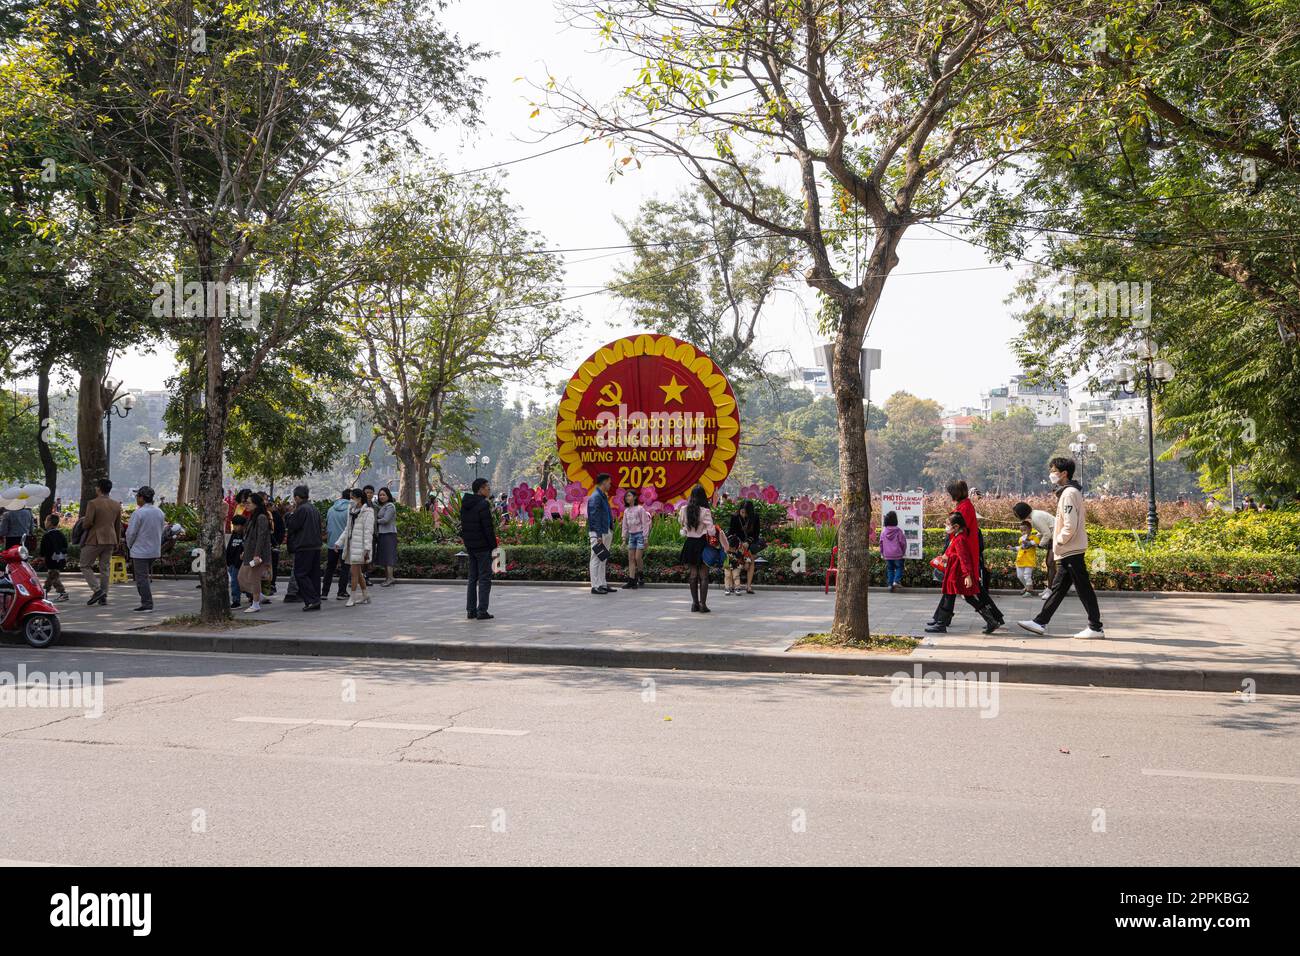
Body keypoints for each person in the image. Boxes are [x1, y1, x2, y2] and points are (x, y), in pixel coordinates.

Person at [1018, 457, 1105, 639]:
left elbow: (1070, 524)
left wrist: (1059, 541)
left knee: (1083, 588)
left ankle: (1095, 627)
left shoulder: (1068, 494)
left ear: (1064, 473)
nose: (1051, 474)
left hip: (1070, 548)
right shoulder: (1068, 492)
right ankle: (1040, 621)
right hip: (1069, 549)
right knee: (1058, 588)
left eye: (1053, 470)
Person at [939, 479, 1004, 632]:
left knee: (965, 592)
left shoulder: (963, 509)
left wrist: (948, 553)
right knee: (968, 593)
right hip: (962, 556)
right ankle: (994, 618)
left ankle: (941, 620)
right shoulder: (964, 506)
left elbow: (958, 536)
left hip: (962, 557)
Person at [925, 512, 981, 634]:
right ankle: (941, 623)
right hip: (954, 571)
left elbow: (964, 558)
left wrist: (967, 575)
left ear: (956, 526)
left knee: (952, 596)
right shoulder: (957, 536)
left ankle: (941, 624)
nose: (946, 526)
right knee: (961, 597)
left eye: (948, 524)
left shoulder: (959, 538)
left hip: (956, 573)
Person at [679, 484, 725, 612]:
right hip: (702, 544)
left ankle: (694, 604)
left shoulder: (683, 509)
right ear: (703, 497)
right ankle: (703, 604)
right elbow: (711, 532)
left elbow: (681, 523)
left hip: (689, 543)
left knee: (693, 574)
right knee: (704, 575)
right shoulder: (705, 511)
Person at [79, 478, 122, 606]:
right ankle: (104, 596)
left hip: (95, 538)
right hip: (111, 538)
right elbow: (118, 525)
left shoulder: (93, 503)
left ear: (98, 488)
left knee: (84, 564)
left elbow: (88, 523)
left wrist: (83, 524)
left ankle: (97, 590)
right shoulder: (116, 504)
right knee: (105, 568)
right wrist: (117, 541)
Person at [124, 485, 165, 612]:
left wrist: (129, 545)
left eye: (137, 496)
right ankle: (146, 602)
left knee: (141, 578)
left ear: (141, 498)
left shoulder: (138, 513)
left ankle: (147, 603)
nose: (136, 498)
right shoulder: (159, 512)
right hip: (154, 550)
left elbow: (131, 533)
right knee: (144, 577)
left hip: (140, 551)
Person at [459, 477, 496, 620]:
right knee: (485, 579)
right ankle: (482, 611)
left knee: (472, 578)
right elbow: (488, 528)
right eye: (487, 487)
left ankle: (471, 610)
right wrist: (493, 546)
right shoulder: (483, 505)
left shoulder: (465, 504)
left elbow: (464, 526)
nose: (489, 489)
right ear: (480, 489)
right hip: (483, 547)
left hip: (471, 546)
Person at [285, 485, 322, 611]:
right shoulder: (314, 508)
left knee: (300, 574)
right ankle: (316, 598)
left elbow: (293, 526)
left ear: (296, 497)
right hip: (316, 546)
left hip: (304, 546)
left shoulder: (301, 510)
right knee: (314, 574)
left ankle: (312, 600)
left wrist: (290, 515)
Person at [336, 489, 374, 607]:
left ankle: (352, 597)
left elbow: (368, 531)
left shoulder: (368, 512)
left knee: (354, 573)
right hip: (351, 545)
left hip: (361, 547)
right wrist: (339, 542)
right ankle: (365, 595)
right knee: (358, 573)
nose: (350, 500)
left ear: (359, 498)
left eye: (352, 498)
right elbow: (348, 529)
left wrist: (367, 549)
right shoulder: (351, 510)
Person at [238, 492, 274, 613]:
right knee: (242, 577)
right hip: (250, 553)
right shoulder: (252, 517)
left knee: (254, 578)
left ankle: (256, 603)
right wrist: (245, 551)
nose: (246, 505)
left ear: (256, 504)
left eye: (248, 503)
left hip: (257, 555)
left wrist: (257, 555)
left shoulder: (261, 518)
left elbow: (261, 537)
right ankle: (259, 595)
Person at [1013, 500, 1056, 599]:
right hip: (1054, 537)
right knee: (1050, 563)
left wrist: (1039, 545)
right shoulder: (1035, 516)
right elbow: (1042, 532)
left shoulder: (1035, 518)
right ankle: (1050, 588)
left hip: (1056, 537)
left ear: (1021, 512)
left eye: (1016, 514)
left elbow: (1047, 534)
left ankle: (1051, 590)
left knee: (1050, 563)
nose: (1016, 516)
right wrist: (1032, 541)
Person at [587, 473, 615, 595]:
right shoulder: (595, 497)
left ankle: (602, 583)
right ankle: (595, 586)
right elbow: (594, 517)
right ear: (603, 482)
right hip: (598, 532)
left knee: (603, 558)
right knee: (596, 558)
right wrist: (598, 535)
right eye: (609, 482)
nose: (610, 484)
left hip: (606, 530)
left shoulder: (602, 496)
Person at [727, 499, 762, 594]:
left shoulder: (755, 517)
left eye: (746, 513)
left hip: (749, 543)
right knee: (732, 560)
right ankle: (732, 585)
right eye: (742, 512)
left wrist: (748, 542)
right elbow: (731, 532)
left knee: (751, 560)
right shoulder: (735, 517)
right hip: (737, 543)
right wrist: (738, 543)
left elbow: (756, 534)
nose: (743, 514)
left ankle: (748, 586)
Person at [324, 489, 352, 601]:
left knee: (329, 569)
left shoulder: (331, 509)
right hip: (344, 543)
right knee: (345, 569)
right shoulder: (350, 510)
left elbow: (327, 524)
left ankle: (324, 592)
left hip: (332, 543)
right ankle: (341, 592)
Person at [620, 489, 648, 589]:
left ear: (635, 497)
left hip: (640, 535)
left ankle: (641, 574)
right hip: (631, 536)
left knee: (637, 558)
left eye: (630, 496)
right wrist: (624, 539)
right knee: (631, 559)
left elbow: (645, 523)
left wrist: (645, 538)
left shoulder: (640, 509)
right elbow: (624, 525)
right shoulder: (626, 511)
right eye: (626, 496)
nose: (628, 498)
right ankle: (632, 580)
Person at [38, 512, 69, 602]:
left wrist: (42, 557)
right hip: (60, 558)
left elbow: (44, 549)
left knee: (54, 577)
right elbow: (65, 546)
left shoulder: (47, 536)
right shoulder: (61, 534)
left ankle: (62, 593)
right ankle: (44, 592)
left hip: (51, 559)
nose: (45, 522)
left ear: (50, 522)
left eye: (46, 520)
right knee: (52, 576)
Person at [374, 487, 398, 587]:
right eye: (380, 495)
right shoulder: (383, 506)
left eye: (384, 494)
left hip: (389, 533)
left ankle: (390, 578)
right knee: (384, 556)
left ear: (388, 495)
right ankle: (387, 578)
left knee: (389, 556)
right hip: (383, 534)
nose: (381, 496)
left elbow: (386, 520)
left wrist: (375, 521)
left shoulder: (390, 506)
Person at [879, 510, 907, 593]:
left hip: (887, 554)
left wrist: (882, 552)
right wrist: (903, 551)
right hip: (897, 554)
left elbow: (881, 543)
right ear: (895, 520)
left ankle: (890, 584)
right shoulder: (898, 531)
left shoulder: (883, 531)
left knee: (890, 569)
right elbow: (903, 542)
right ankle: (896, 581)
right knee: (899, 567)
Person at [1013, 519, 1039, 597]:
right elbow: (1021, 548)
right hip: (1020, 559)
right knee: (1020, 576)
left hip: (1029, 560)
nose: (1023, 532)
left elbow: (1036, 543)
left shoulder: (1034, 537)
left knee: (1027, 575)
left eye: (1025, 530)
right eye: (1021, 531)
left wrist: (1029, 542)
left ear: (1030, 529)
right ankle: (1026, 587)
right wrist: (1013, 548)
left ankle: (1029, 591)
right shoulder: (1021, 539)